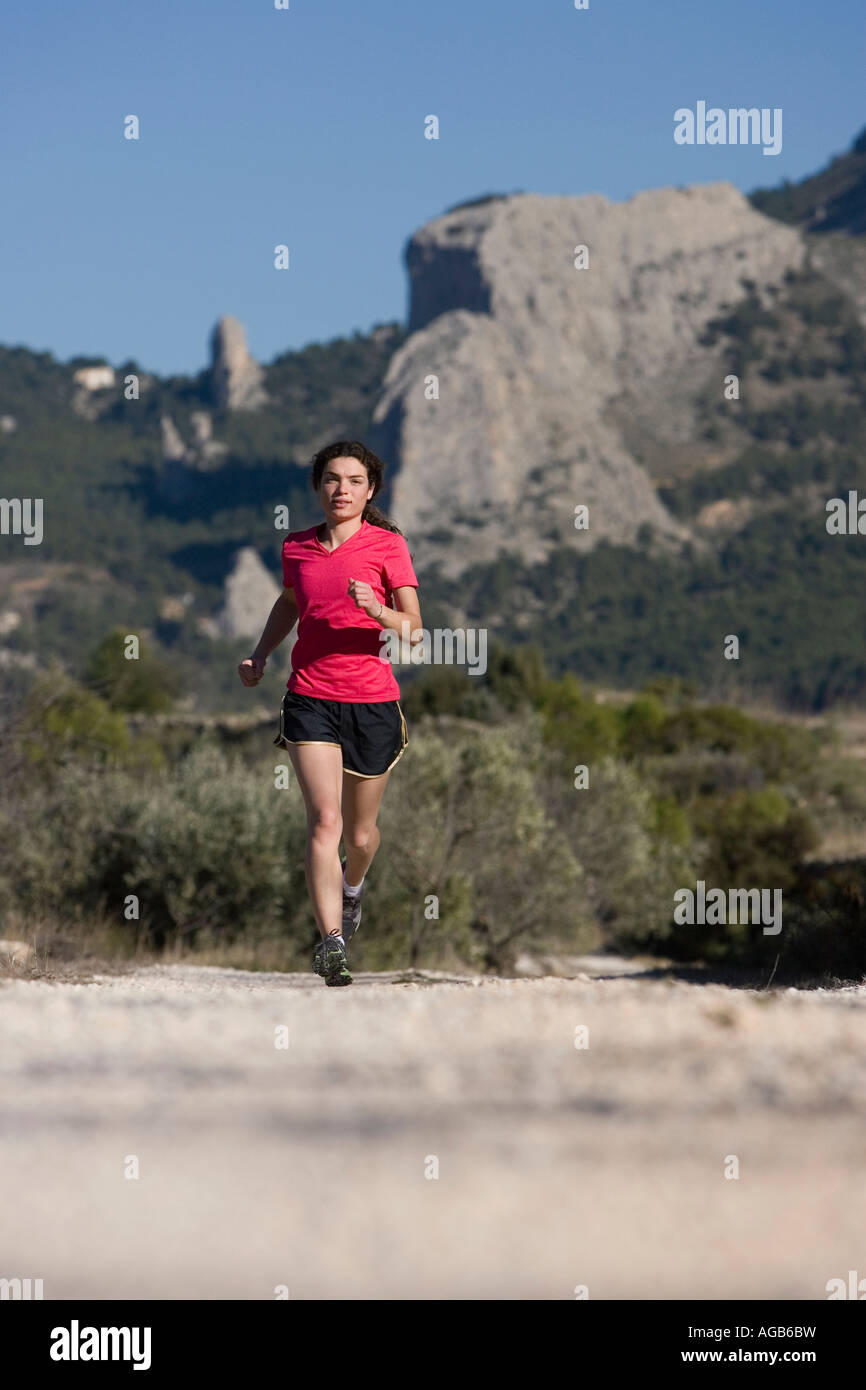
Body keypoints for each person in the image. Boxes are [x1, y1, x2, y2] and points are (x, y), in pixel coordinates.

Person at [238, 441, 422, 986]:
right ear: (319, 487)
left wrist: (378, 609)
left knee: (361, 838)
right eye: (332, 479)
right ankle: (331, 942)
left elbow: (414, 628)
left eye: (354, 481)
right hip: (310, 698)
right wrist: (262, 652)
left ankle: (352, 888)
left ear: (371, 491)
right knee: (325, 822)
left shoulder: (388, 546)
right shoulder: (296, 547)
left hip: (372, 702)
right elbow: (290, 602)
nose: (342, 489)